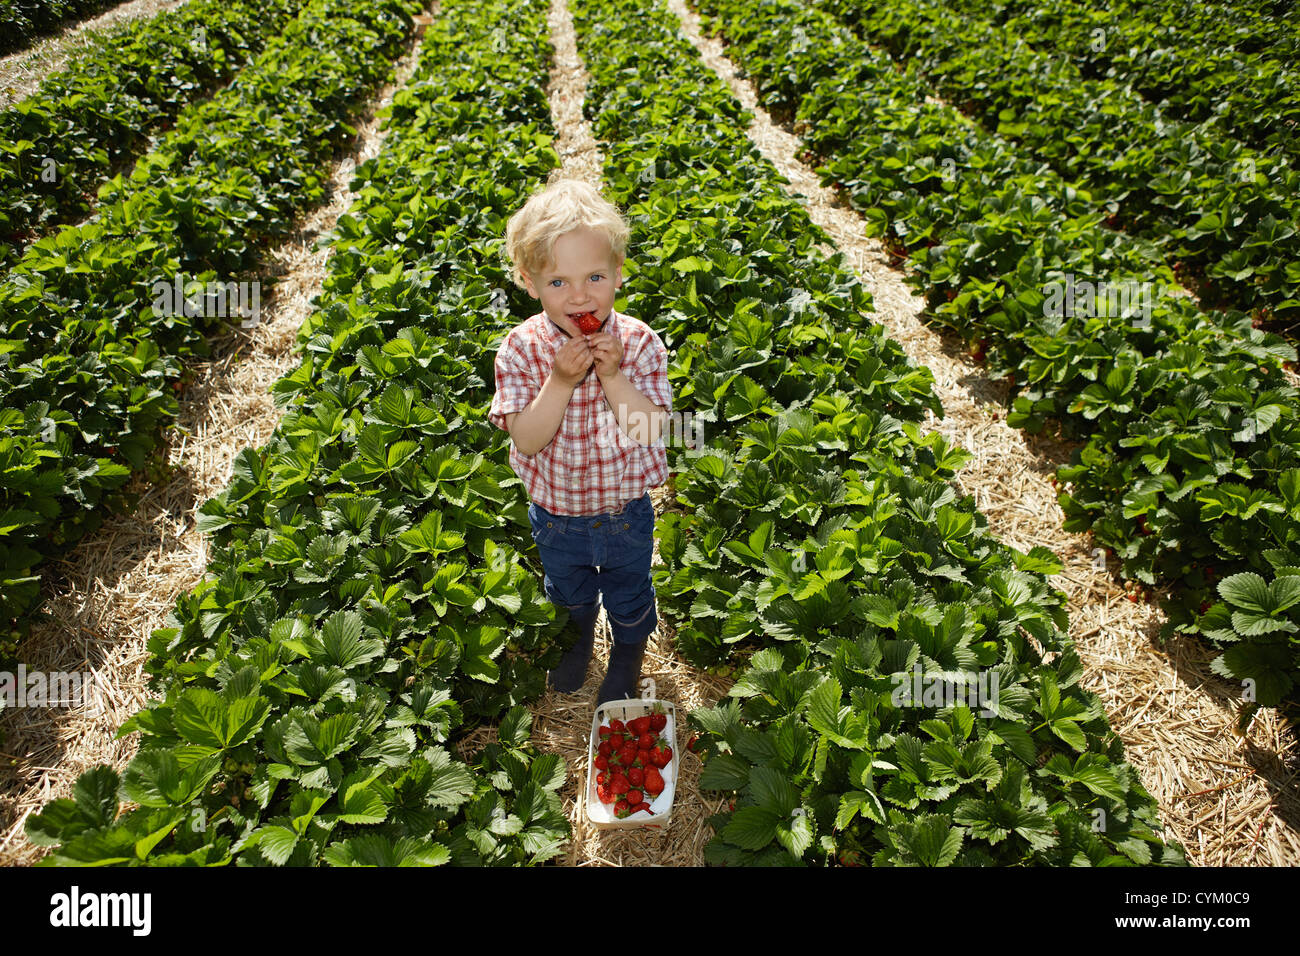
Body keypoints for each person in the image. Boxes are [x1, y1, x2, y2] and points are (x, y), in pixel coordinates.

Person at [488, 178, 672, 704]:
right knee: (567, 594)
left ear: (618, 273)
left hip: (623, 513)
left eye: (594, 276)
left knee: (630, 590)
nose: (580, 296)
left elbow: (651, 429)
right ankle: (576, 642)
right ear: (529, 283)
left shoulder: (637, 343)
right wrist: (561, 382)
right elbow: (525, 439)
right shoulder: (522, 349)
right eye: (558, 282)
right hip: (556, 514)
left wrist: (614, 377)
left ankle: (628, 653)